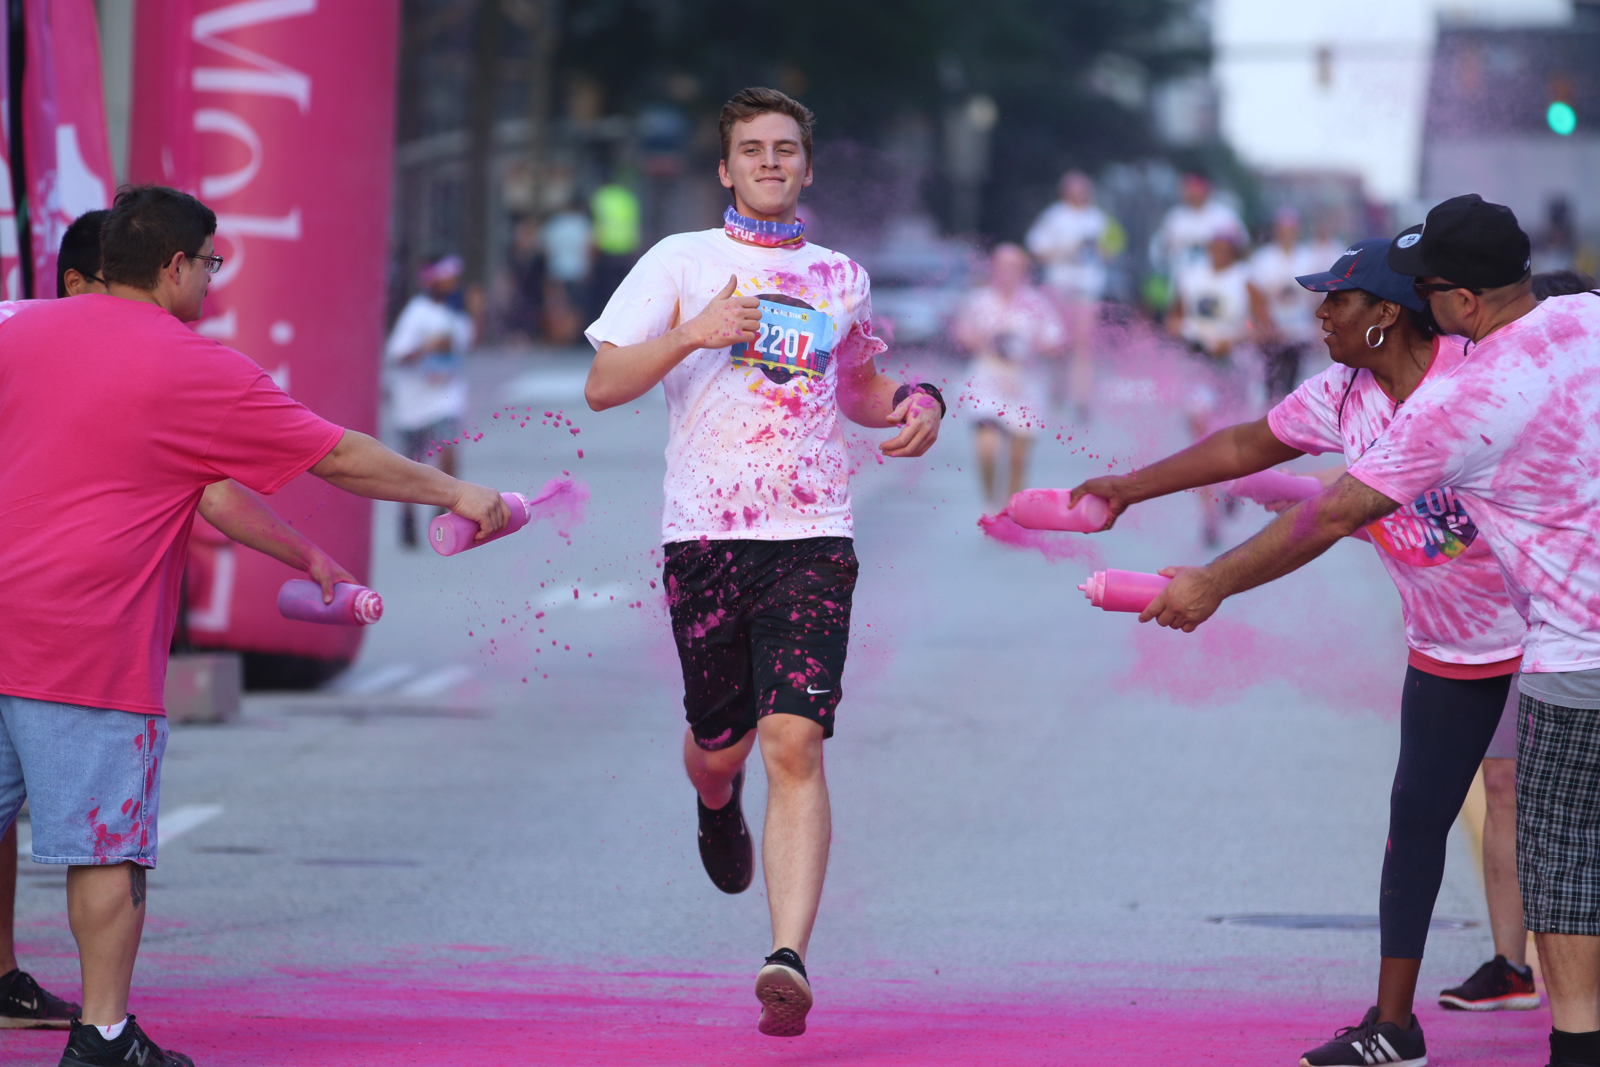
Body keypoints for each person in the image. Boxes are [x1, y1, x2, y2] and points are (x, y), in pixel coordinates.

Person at [0, 184, 509, 1067]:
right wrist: (455, 489)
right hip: (84, 647)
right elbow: (338, 454)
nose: (212, 278)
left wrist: (302, 553)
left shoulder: (14, 326)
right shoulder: (194, 367)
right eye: (211, 263)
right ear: (174, 266)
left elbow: (206, 488)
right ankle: (105, 1035)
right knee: (107, 851)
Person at [1125, 194, 1600, 1067]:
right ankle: (1396, 1023)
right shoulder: (1349, 393)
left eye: (1336, 299)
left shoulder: (1466, 389)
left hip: (1542, 636)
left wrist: (1214, 582)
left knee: (1548, 835)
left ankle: (1541, 998)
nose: (1318, 314)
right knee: (1423, 817)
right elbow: (1253, 450)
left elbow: (1334, 513)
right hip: (1456, 645)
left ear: (1403, 310)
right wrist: (1126, 489)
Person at [583, 87, 942, 1038]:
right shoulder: (681, 261)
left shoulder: (840, 278)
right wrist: (696, 332)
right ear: (726, 167)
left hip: (814, 537)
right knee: (724, 747)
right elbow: (603, 383)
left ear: (807, 168)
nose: (771, 162)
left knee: (795, 741)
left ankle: (786, 956)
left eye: (786, 148)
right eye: (753, 149)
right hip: (704, 538)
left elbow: (860, 388)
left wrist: (921, 399)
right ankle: (715, 799)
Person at [1166, 230, 1258, 546]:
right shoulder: (1191, 277)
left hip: (1234, 368)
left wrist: (1234, 339)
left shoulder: (1245, 280)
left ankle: (1234, 485)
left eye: (1224, 248)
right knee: (1201, 438)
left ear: (1233, 250)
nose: (1218, 252)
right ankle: (1209, 516)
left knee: (1232, 438)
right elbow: (1172, 319)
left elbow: (1264, 326)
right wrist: (1183, 330)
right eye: (1213, 247)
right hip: (1198, 366)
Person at [954, 242, 1063, 504]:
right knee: (986, 449)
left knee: (1017, 459)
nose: (1007, 272)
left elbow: (1055, 341)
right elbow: (962, 334)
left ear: (1024, 270)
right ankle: (991, 503)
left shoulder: (1036, 304)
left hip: (1023, 383)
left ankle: (1010, 511)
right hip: (987, 379)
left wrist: (1038, 347)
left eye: (1014, 266)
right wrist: (982, 339)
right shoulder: (978, 301)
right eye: (1001, 266)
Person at [385, 254, 474, 547]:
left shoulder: (458, 316)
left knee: (448, 450)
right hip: (413, 402)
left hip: (446, 398)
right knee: (411, 464)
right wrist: (428, 347)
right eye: (448, 278)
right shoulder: (416, 313)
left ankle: (445, 510)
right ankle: (407, 518)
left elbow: (467, 344)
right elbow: (396, 355)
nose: (453, 284)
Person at [1025, 170, 1119, 418]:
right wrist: (1066, 251)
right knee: (1059, 343)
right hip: (1060, 286)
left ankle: (1082, 397)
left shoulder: (1098, 219)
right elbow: (1037, 248)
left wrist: (1102, 250)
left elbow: (1112, 249)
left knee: (1084, 344)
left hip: (1088, 287)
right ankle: (1058, 390)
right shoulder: (1054, 216)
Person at [1248, 207, 1325, 400]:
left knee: (1297, 384)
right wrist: (1267, 325)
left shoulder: (1309, 258)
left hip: (1300, 331)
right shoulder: (1264, 259)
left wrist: (1317, 326)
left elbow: (1317, 299)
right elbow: (1255, 296)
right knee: (1271, 385)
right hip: (1272, 333)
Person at [1150, 171, 1246, 283]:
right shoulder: (1175, 217)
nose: (1194, 194)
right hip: (1181, 279)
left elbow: (1243, 248)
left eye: (1197, 188)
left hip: (1218, 281)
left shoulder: (1225, 216)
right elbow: (1160, 250)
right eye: (1190, 189)